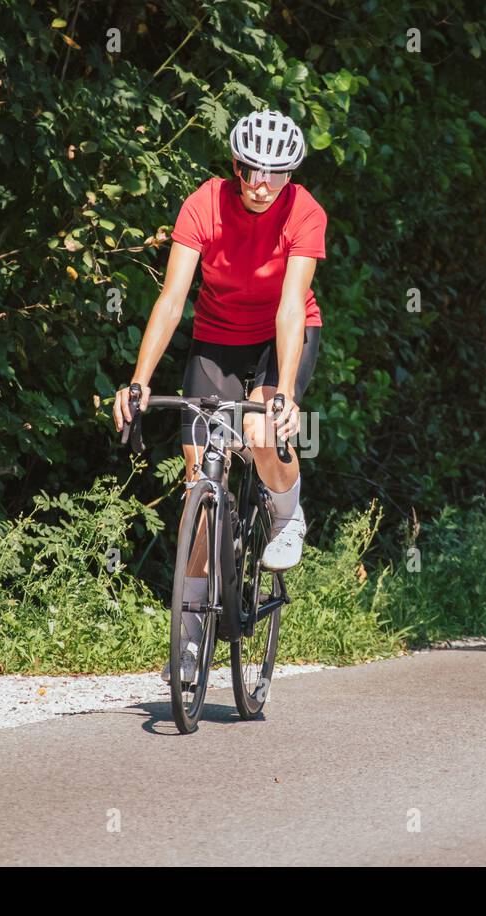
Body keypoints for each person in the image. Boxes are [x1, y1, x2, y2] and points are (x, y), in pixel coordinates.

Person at [111, 109, 326, 682]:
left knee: (259, 432)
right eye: (252, 170)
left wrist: (282, 391)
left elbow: (289, 305)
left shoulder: (304, 212)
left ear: (290, 176)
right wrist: (139, 380)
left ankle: (285, 513)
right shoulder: (204, 203)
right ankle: (187, 641)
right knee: (198, 485)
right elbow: (172, 299)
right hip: (215, 339)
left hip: (284, 334)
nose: (261, 185)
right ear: (235, 164)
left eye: (275, 174)